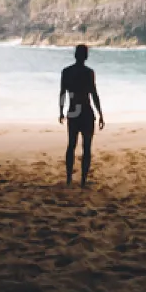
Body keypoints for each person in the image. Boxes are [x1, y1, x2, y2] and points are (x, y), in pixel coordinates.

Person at [58, 45, 103, 186]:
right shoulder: (89, 72)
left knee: (71, 145)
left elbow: (62, 93)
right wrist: (100, 113)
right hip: (86, 110)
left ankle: (69, 179)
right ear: (86, 56)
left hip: (73, 110)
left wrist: (61, 111)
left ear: (75, 55)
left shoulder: (66, 72)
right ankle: (83, 180)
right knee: (87, 147)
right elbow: (93, 93)